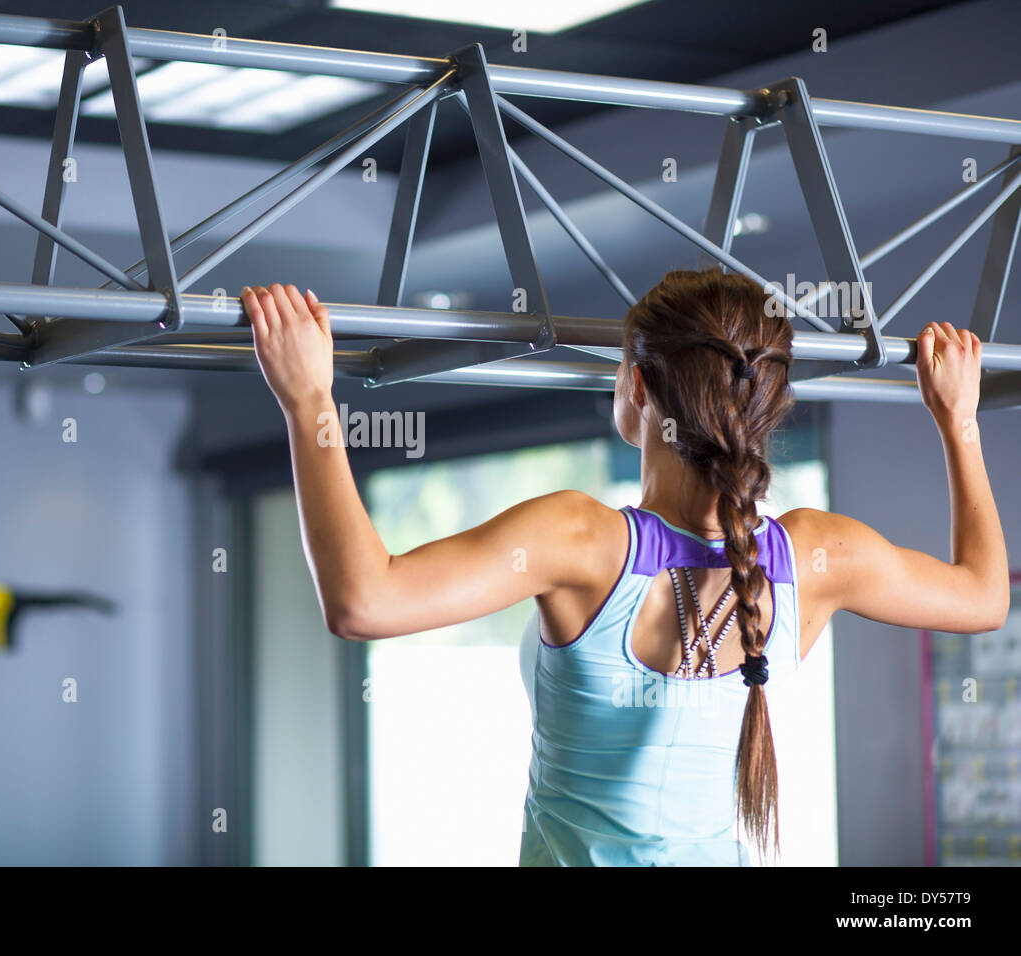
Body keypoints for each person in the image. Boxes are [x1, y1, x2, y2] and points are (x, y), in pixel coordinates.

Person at [238, 268, 1009, 866]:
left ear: (637, 385)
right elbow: (983, 598)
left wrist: (310, 399)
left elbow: (362, 602)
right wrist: (959, 421)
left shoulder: (580, 539)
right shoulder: (816, 555)